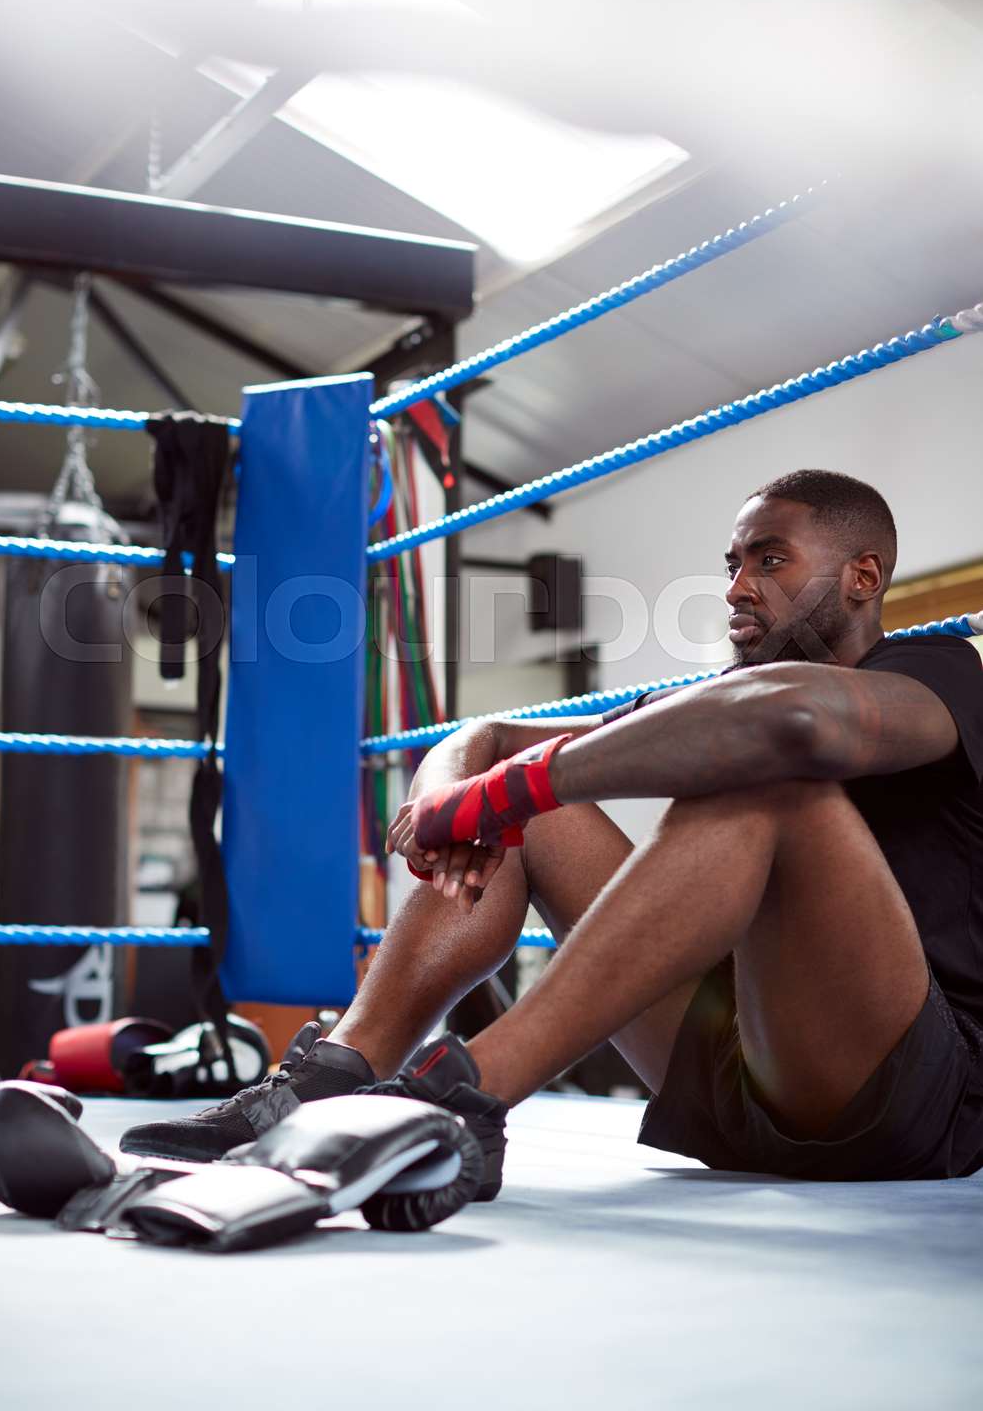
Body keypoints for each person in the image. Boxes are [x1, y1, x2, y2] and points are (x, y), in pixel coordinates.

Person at [122, 469, 983, 1189]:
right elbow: (482, 739)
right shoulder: (720, 699)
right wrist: (463, 802)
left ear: (862, 578)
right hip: (731, 1083)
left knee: (762, 779)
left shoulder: (936, 674)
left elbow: (793, 727)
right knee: (538, 809)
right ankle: (335, 1076)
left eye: (769, 559)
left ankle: (461, 1097)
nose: (735, 587)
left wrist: (504, 793)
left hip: (903, 1096)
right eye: (730, 563)